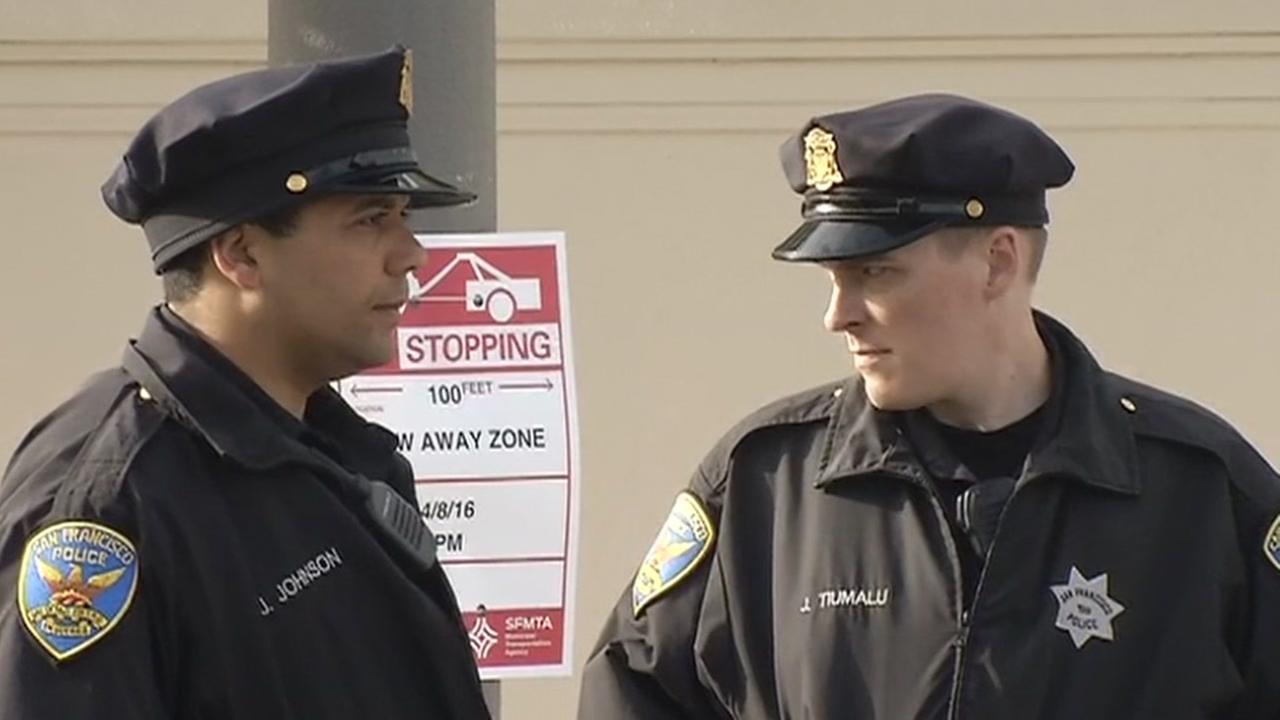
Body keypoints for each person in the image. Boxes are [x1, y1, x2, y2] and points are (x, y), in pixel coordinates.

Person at [578, 93, 1280, 718]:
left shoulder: (1202, 492)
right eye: (832, 278)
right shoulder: (764, 483)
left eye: (874, 272)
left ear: (998, 262)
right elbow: (633, 689)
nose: (838, 315)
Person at [0, 47, 492, 719]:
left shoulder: (345, 457)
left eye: (404, 217)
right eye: (372, 219)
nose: (412, 254)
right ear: (241, 254)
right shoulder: (110, 503)